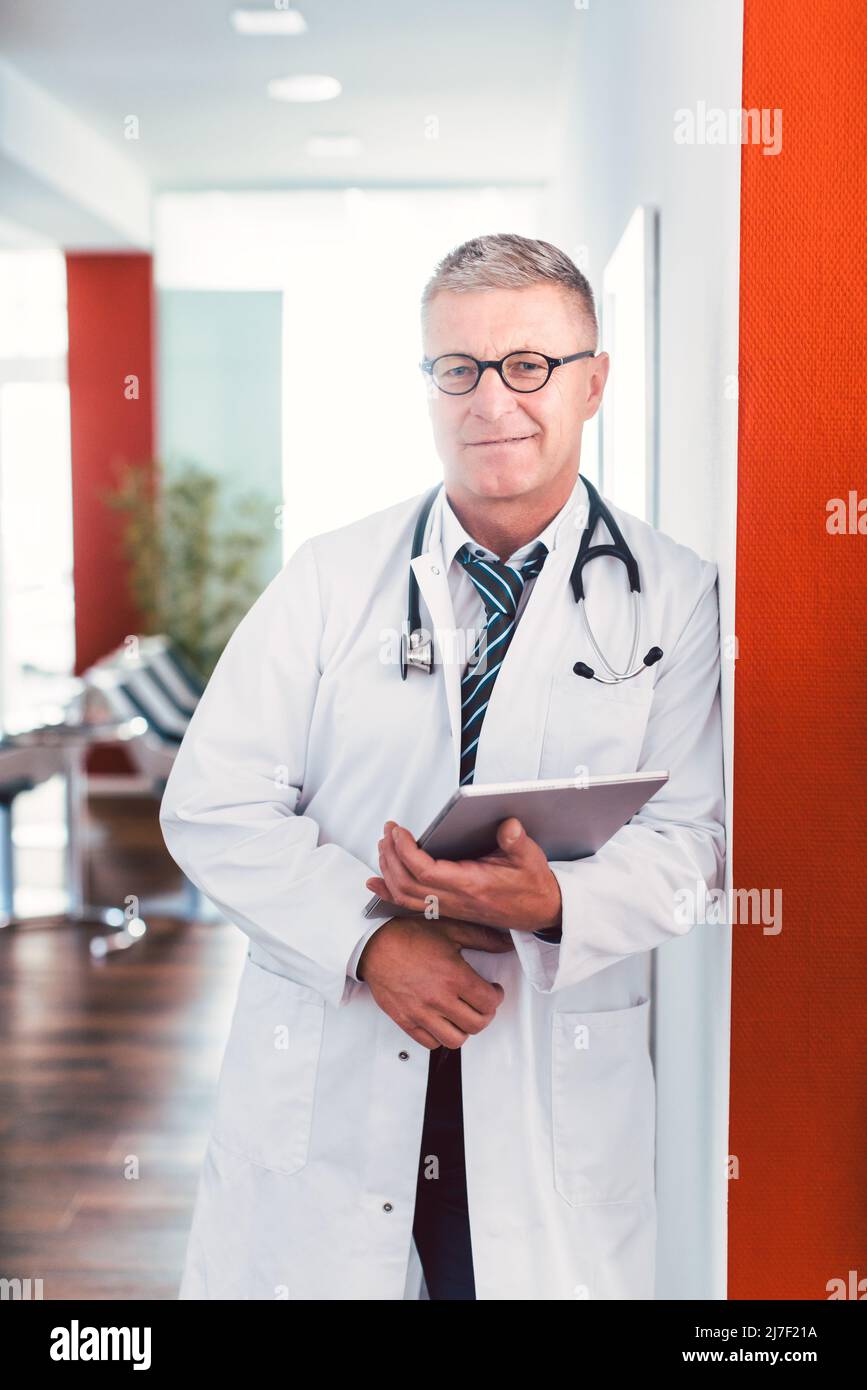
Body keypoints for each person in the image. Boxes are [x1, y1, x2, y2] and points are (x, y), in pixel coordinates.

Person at [159, 232, 725, 1301]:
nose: (490, 400)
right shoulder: (331, 578)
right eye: (455, 368)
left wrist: (558, 897)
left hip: (546, 1062)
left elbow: (692, 842)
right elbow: (213, 803)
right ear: (427, 385)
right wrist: (372, 941)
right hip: (341, 1046)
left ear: (593, 381)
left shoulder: (673, 594)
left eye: (528, 365)